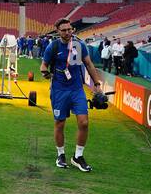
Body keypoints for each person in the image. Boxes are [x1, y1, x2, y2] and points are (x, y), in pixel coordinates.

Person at [40, 17, 106, 172]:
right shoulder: (53, 46)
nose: (68, 32)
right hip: (59, 90)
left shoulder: (79, 44)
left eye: (70, 29)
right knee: (60, 123)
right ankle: (61, 155)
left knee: (84, 123)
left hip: (77, 89)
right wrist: (44, 72)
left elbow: (88, 64)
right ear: (58, 31)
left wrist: (97, 84)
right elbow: (44, 64)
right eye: (64, 30)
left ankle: (78, 156)